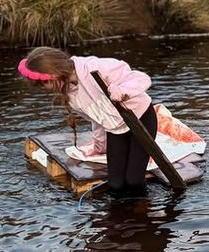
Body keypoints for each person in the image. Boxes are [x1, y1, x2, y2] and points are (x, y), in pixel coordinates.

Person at [19, 46, 156, 199]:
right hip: (115, 129)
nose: (44, 88)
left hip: (140, 119)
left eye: (43, 83)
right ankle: (120, 218)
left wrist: (122, 91)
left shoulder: (95, 68)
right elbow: (98, 119)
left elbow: (142, 78)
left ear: (55, 72)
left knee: (134, 181)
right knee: (115, 185)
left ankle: (141, 213)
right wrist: (99, 146)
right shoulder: (70, 95)